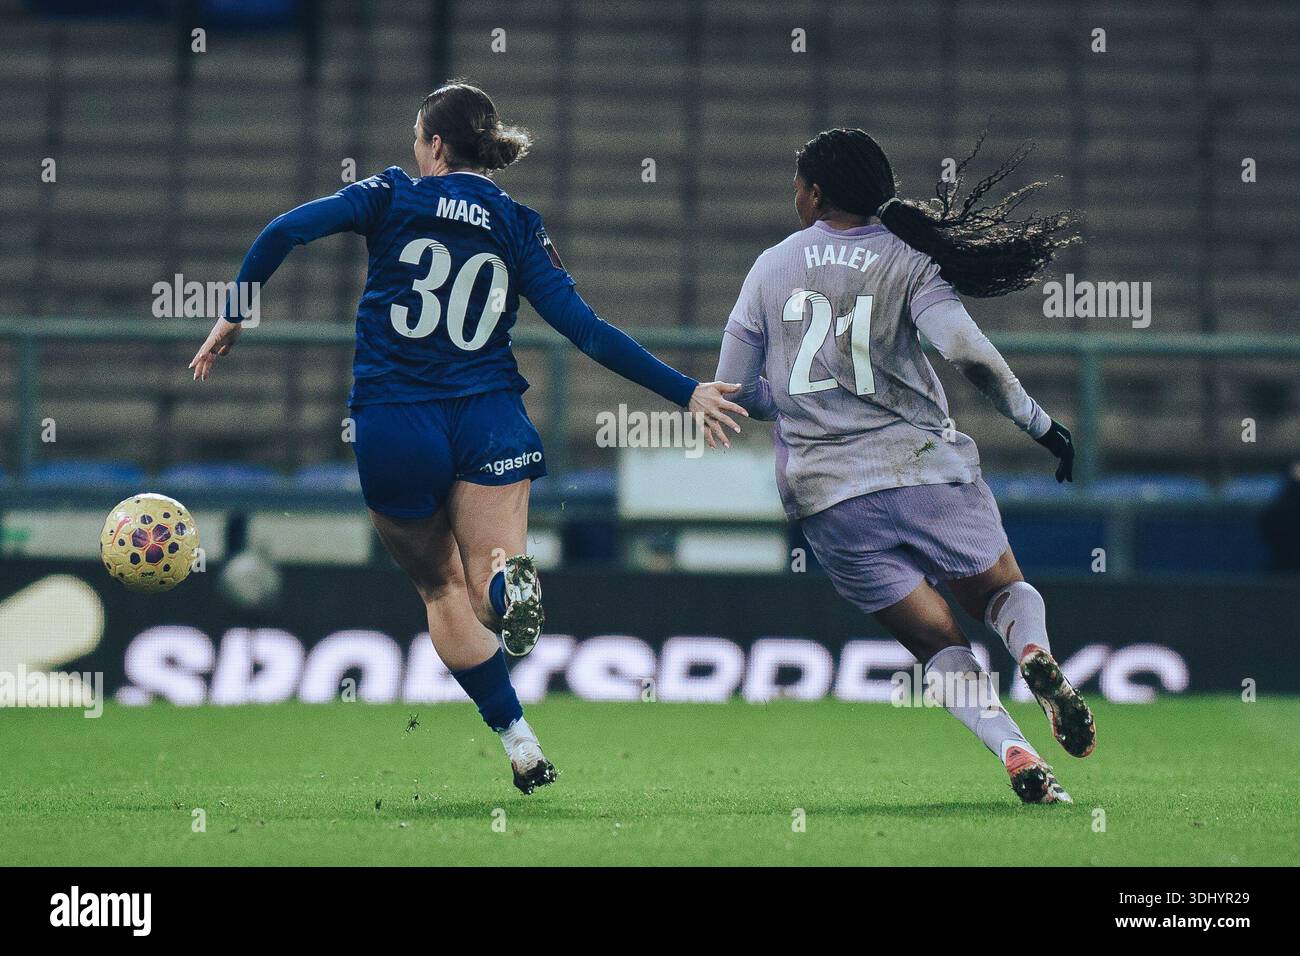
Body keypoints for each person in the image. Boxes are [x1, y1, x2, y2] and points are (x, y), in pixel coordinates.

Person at [189, 81, 746, 794]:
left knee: (439, 587)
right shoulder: (517, 223)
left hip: (395, 419)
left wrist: (234, 314)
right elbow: (588, 332)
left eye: (418, 140)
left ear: (435, 146)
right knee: (489, 575)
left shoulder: (390, 195)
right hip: (487, 414)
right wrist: (688, 391)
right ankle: (509, 585)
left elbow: (282, 232)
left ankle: (521, 745)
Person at [715, 128, 1093, 803]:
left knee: (936, 643)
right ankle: (1033, 656)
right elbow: (970, 354)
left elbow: (740, 393)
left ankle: (1012, 748)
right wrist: (1040, 425)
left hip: (828, 496)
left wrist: (803, 401)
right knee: (1002, 594)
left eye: (797, 184)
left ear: (815, 192)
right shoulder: (909, 261)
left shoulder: (770, 266)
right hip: (925, 469)